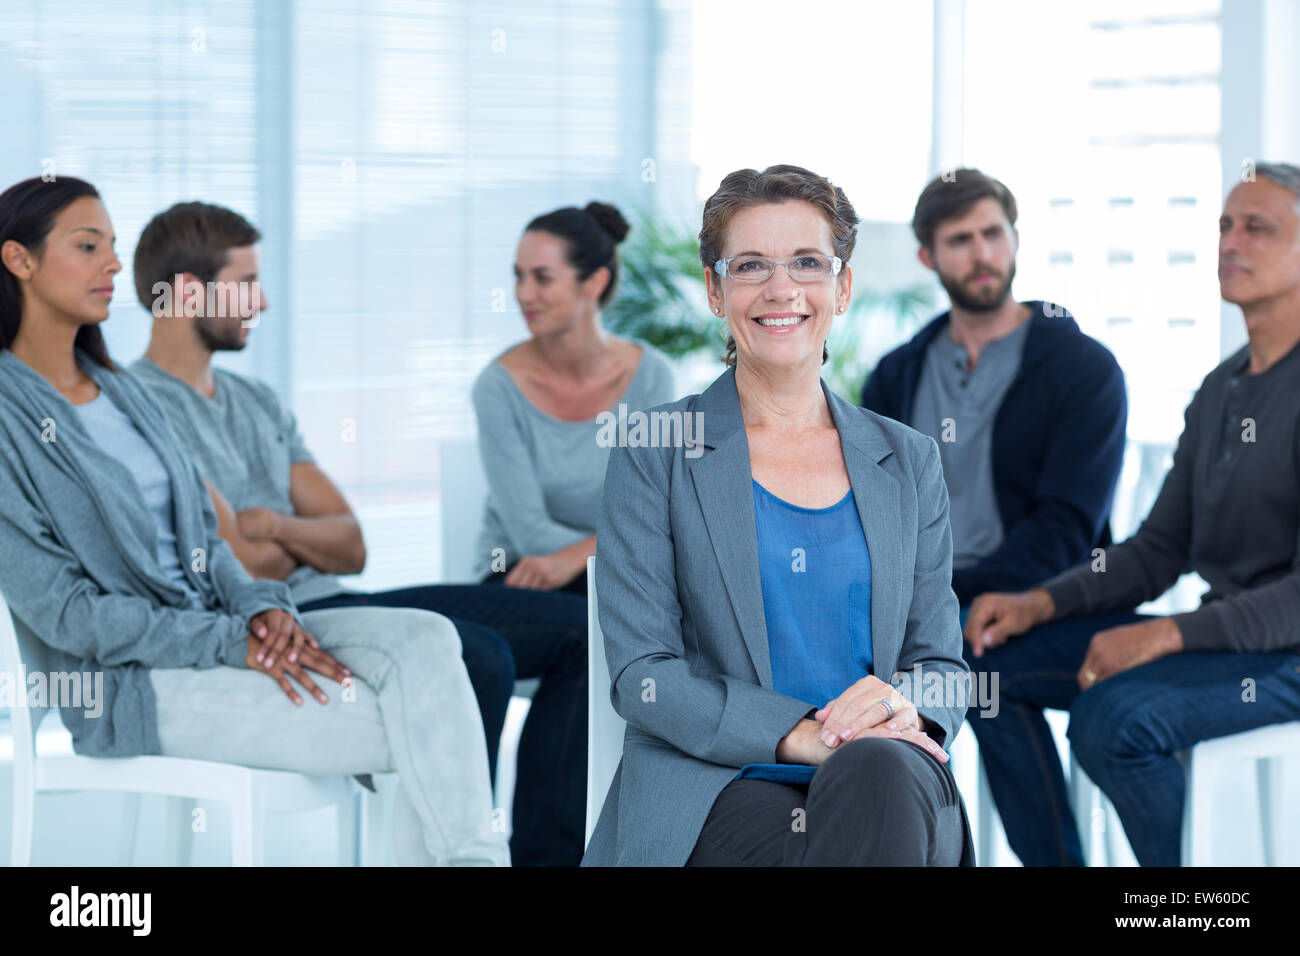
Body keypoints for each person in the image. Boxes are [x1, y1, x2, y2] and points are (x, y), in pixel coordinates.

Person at [0, 175, 507, 866]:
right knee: (423, 727)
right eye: (87, 246)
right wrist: (229, 640)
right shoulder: (10, 418)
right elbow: (68, 617)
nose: (114, 265)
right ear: (17, 260)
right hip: (133, 682)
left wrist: (263, 610)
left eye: (114, 247)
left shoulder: (120, 393)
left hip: (230, 634)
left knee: (429, 641)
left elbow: (208, 543)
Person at [128, 200, 588, 867]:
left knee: (581, 633)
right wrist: (290, 535)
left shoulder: (255, 401)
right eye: (246, 284)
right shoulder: (138, 408)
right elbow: (243, 564)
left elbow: (351, 542)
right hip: (282, 620)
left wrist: (274, 525)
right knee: (478, 654)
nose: (261, 303)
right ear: (190, 292)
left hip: (341, 593)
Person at [582, 165, 975, 867]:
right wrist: (800, 735)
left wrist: (903, 710)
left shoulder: (908, 460)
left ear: (843, 287)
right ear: (715, 290)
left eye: (806, 263)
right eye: (751, 265)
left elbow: (941, 664)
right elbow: (643, 671)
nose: (781, 288)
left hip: (884, 768)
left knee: (876, 780)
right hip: (717, 782)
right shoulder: (655, 453)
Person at [962, 161, 1300, 866]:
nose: (1230, 243)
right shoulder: (1221, 391)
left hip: (1286, 656)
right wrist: (1037, 604)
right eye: (1224, 226)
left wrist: (1165, 637)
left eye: (1257, 228)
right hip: (1231, 640)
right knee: (990, 672)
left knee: (1113, 720)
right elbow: (1156, 550)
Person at [861, 168, 1127, 609]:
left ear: (1016, 239)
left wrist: (953, 599)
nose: (982, 254)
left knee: (949, 674)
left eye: (992, 233)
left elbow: (1067, 528)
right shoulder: (895, 377)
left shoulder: (1086, 369)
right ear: (928, 257)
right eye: (960, 240)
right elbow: (872, 515)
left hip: (1040, 603)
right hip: (911, 607)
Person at [472, 202, 677, 596]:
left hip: (620, 572)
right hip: (524, 576)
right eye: (518, 277)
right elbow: (530, 534)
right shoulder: (497, 387)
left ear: (595, 283)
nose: (523, 294)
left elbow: (657, 510)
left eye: (542, 278)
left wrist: (583, 555)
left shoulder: (652, 377)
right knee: (605, 628)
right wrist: (608, 553)